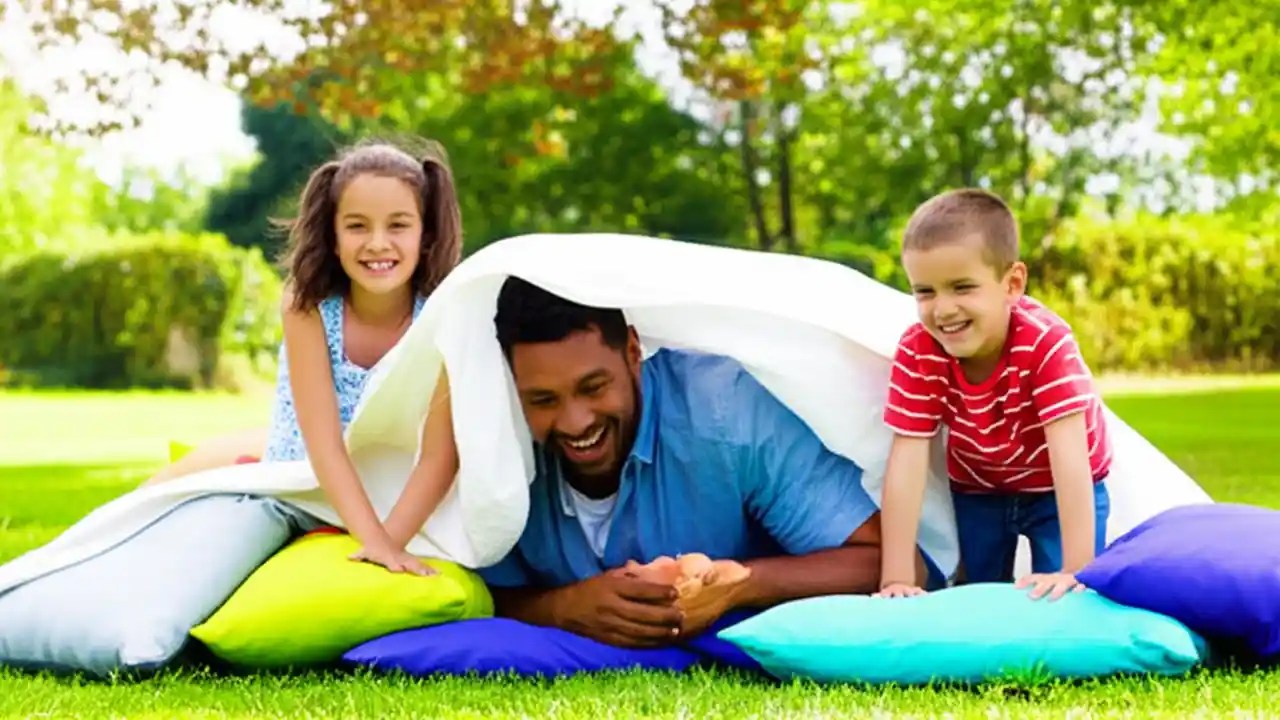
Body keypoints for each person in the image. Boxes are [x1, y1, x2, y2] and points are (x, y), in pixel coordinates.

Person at [477, 276, 938, 648]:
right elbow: (473, 592)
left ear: (633, 353)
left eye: (594, 387)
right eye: (543, 400)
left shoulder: (725, 413)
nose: (575, 422)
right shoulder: (492, 440)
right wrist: (563, 608)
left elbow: (895, 564)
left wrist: (739, 584)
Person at [876, 188, 1112, 602]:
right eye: (925, 291)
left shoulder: (1045, 343)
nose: (943, 309)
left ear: (1012, 284)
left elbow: (1071, 459)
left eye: (962, 287)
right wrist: (895, 577)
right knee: (979, 594)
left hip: (1057, 490)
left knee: (1066, 594)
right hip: (980, 486)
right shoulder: (918, 351)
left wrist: (1075, 570)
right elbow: (907, 458)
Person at [261, 139, 465, 576]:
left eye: (398, 225)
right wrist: (374, 541)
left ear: (425, 236)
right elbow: (324, 446)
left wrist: (389, 544)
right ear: (333, 237)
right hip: (304, 485)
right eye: (356, 226)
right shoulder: (307, 306)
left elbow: (440, 456)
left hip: (395, 493)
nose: (377, 243)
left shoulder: (445, 314)